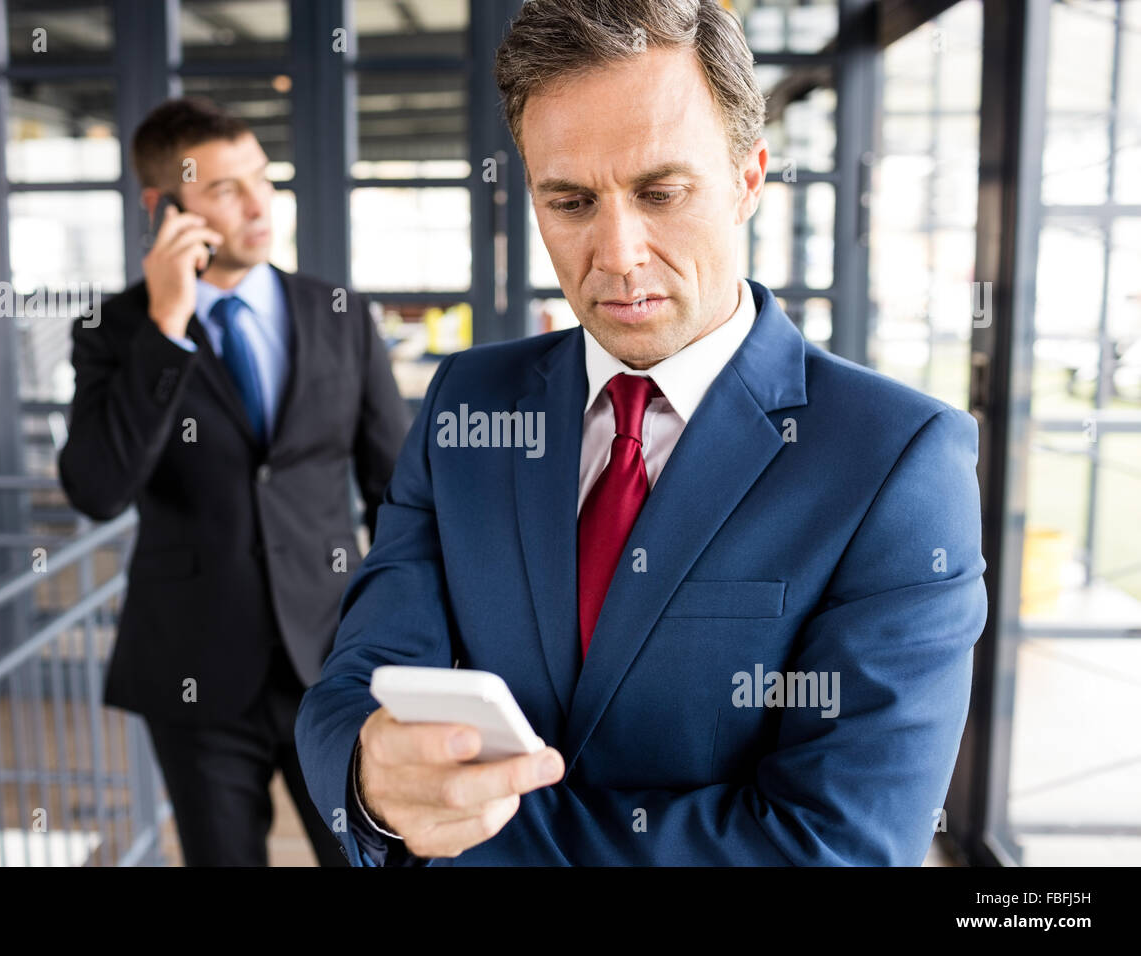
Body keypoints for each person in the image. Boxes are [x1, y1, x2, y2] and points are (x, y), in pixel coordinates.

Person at [295, 0, 987, 866]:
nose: (618, 254)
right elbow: (356, 681)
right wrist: (371, 775)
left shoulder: (898, 460)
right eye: (572, 200)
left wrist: (464, 844)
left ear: (748, 178)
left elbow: (833, 843)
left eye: (661, 192)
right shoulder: (468, 402)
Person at [59, 97, 409, 866]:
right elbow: (96, 488)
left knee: (371, 857)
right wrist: (166, 328)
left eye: (261, 177)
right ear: (164, 208)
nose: (258, 205)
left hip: (337, 659)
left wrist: (403, 637)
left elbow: (396, 493)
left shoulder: (339, 314)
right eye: (224, 188)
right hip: (194, 667)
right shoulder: (114, 333)